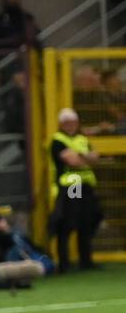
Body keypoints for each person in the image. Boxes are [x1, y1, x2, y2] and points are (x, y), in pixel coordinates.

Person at [49, 107, 104, 272]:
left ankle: (86, 261)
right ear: (61, 124)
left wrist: (81, 156)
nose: (71, 125)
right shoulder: (58, 140)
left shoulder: (81, 139)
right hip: (72, 184)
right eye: (67, 122)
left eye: (73, 122)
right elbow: (74, 161)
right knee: (68, 221)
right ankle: (64, 263)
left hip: (85, 184)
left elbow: (95, 158)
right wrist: (85, 157)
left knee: (88, 220)